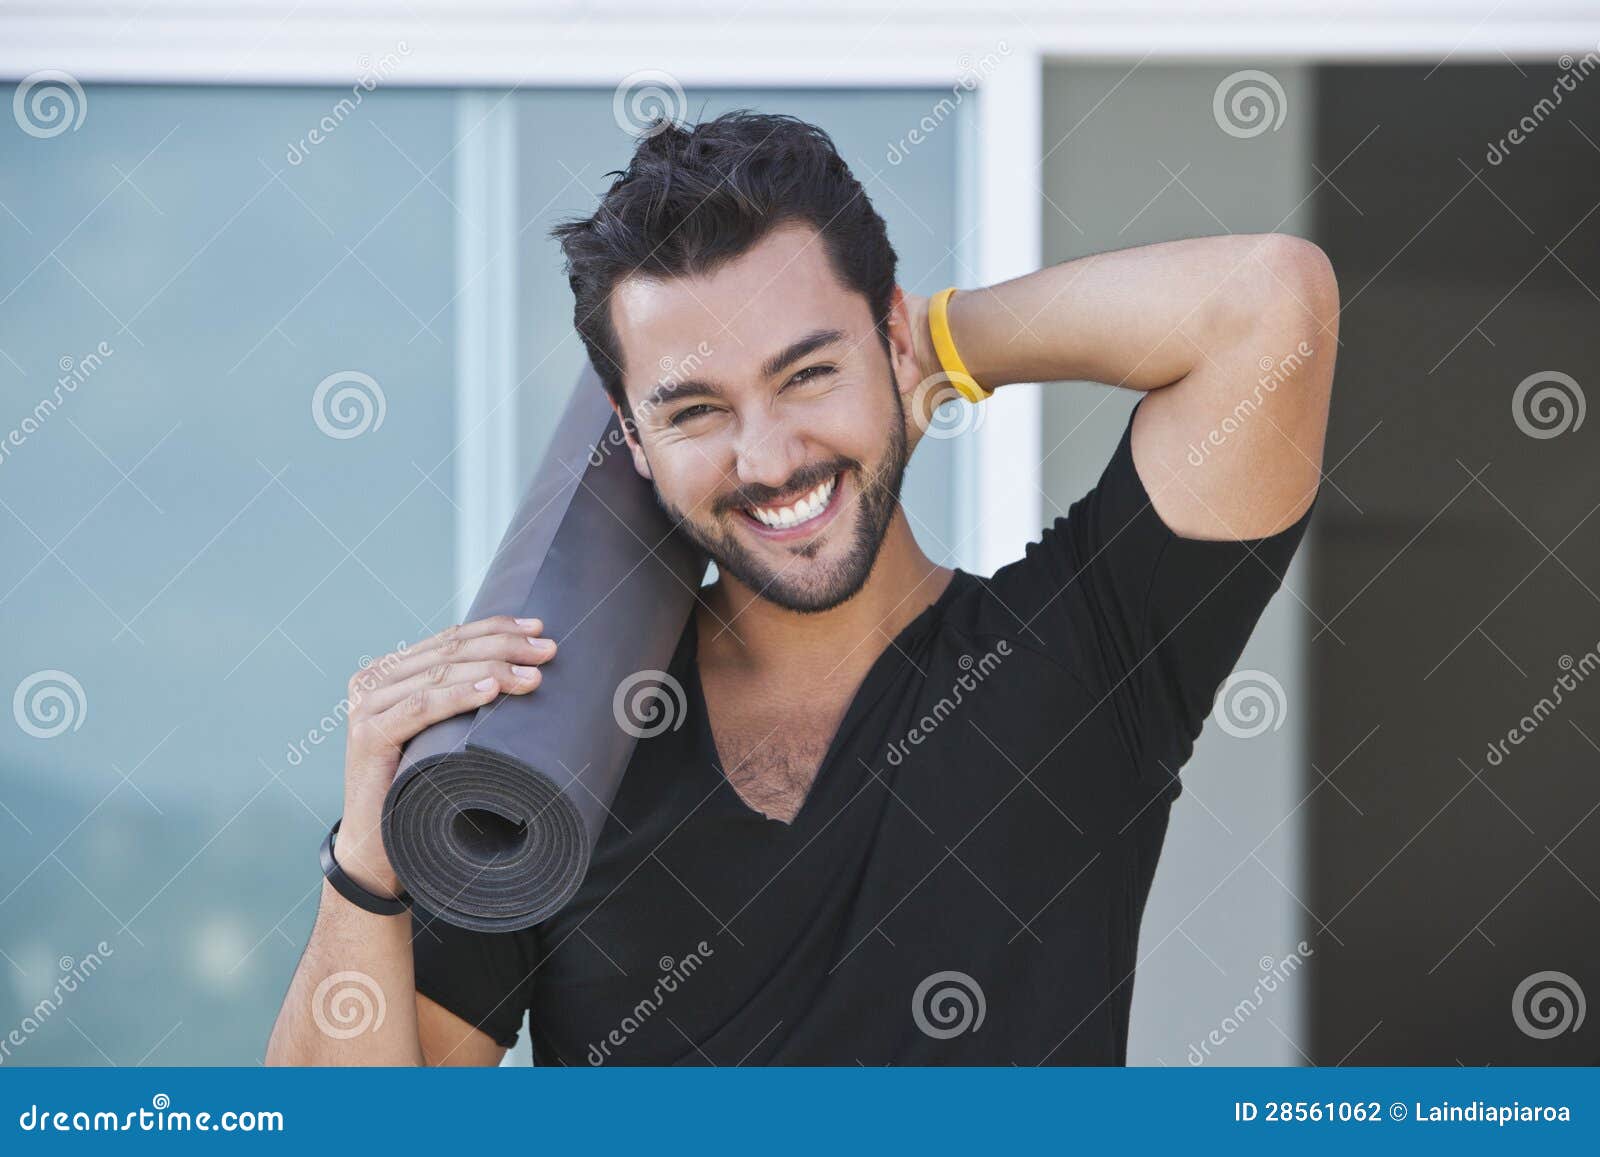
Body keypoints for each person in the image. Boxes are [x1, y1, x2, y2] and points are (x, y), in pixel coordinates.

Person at [266, 110, 1337, 1066]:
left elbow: (1266, 306)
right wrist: (368, 852)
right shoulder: (560, 747)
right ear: (629, 440)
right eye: (695, 412)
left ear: (889, 339)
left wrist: (948, 344)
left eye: (808, 371)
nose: (770, 456)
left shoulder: (1084, 654)